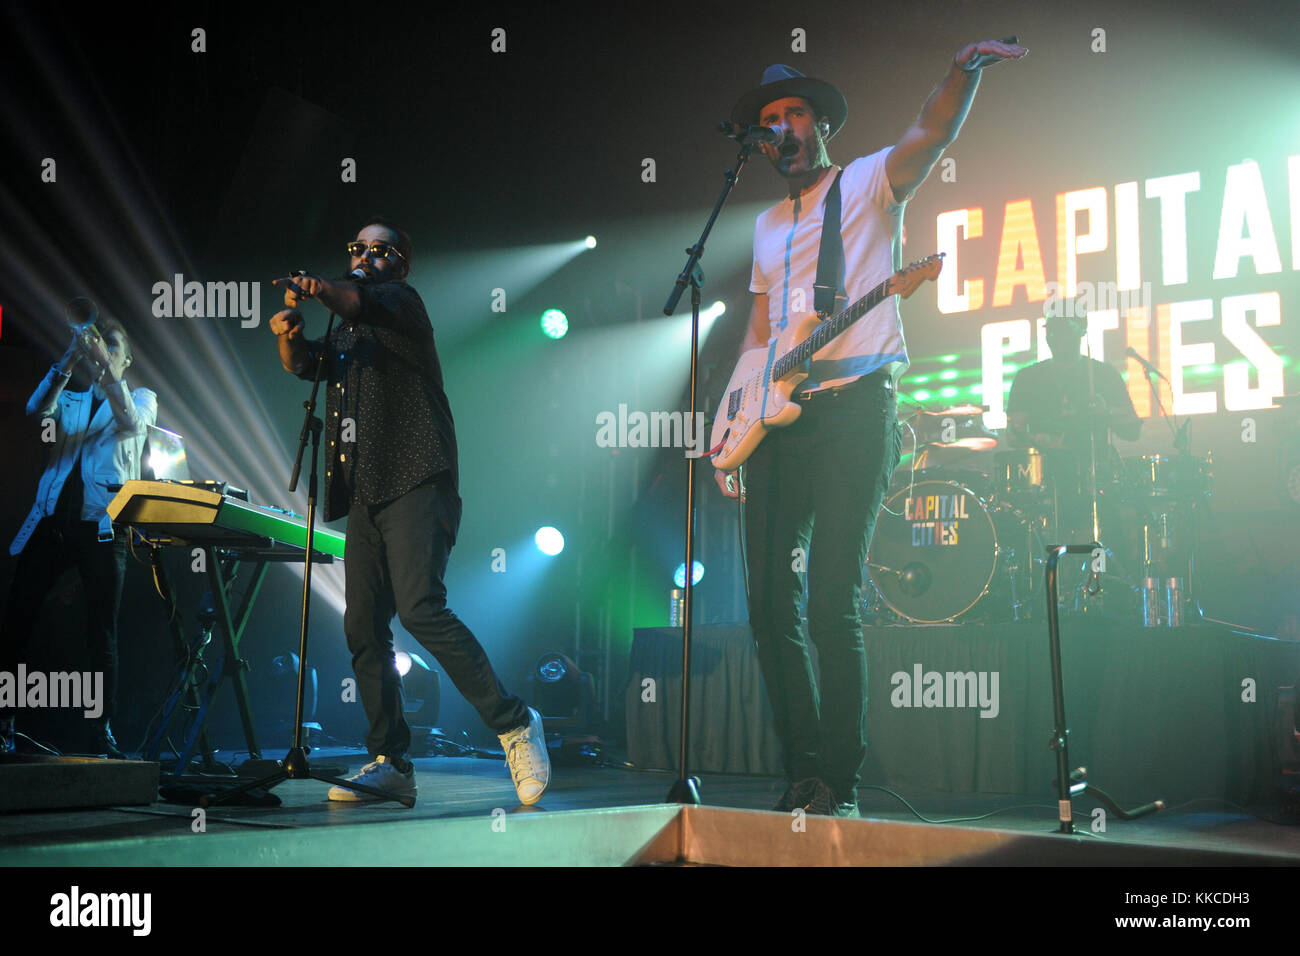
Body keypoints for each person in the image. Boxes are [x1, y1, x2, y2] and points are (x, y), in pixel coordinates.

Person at [714, 46, 1027, 817]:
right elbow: (758, 332)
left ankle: (841, 782)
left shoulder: (866, 181)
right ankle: (803, 769)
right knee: (766, 608)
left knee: (831, 602)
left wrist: (962, 72)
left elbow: (931, 135)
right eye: (766, 122)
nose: (779, 129)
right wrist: (735, 426)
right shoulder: (759, 223)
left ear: (818, 123)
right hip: (779, 423)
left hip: (856, 409)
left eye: (790, 115)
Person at [268, 217, 550, 805]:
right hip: (366, 491)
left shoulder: (401, 304)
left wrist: (321, 289)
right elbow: (304, 365)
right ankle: (391, 761)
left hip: (419, 479)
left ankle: (516, 723)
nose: (367, 256)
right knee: (362, 624)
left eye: (380, 249)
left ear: (400, 262)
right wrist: (289, 333)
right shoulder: (348, 331)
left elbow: (354, 301)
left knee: (421, 608)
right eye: (359, 248)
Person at [1, 316, 157, 758]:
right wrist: (69, 359)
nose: (101, 351)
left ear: (126, 358)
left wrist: (104, 366)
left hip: (102, 528)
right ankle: (3, 722)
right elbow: (36, 412)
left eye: (112, 346)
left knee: (100, 633)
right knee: (16, 620)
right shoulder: (71, 397)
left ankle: (99, 730)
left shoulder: (142, 398)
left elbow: (128, 421)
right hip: (51, 522)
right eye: (99, 344)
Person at [1006, 305, 1141, 543]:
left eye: (1063, 329)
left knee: (1111, 543)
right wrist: (1037, 439)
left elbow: (1131, 430)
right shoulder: (1029, 378)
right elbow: (1013, 435)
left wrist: (1106, 412)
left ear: (1080, 331)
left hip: (1095, 481)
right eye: (1051, 330)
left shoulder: (1102, 374)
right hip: (1046, 483)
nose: (1055, 337)